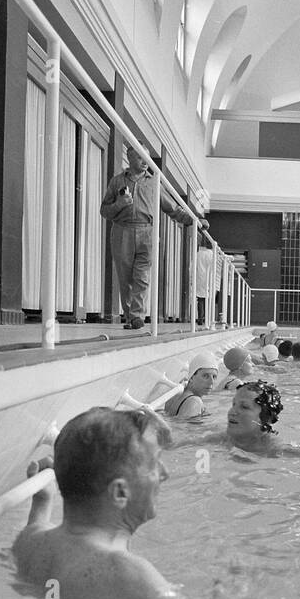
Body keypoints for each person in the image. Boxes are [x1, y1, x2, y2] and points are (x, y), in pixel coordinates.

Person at [14, 407, 237, 599]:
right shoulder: (132, 575)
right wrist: (232, 586)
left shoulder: (30, 542)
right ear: (120, 492)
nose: (165, 473)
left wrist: (42, 501)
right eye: (154, 463)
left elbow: (37, 529)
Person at [100, 147, 160, 329]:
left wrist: (191, 220)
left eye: (147, 158)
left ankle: (136, 316)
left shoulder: (154, 182)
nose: (145, 161)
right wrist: (119, 204)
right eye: (140, 157)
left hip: (146, 231)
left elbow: (170, 206)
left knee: (142, 277)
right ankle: (130, 317)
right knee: (125, 277)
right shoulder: (117, 181)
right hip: (122, 230)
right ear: (130, 158)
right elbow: (104, 211)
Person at [225, 379, 285, 448]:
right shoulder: (221, 439)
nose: (232, 412)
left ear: (267, 418)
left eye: (244, 407)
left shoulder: (275, 450)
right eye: (234, 404)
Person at [163, 351, 220, 418]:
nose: (211, 382)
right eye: (205, 376)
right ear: (192, 377)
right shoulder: (195, 402)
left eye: (214, 377)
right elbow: (181, 425)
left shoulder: (175, 395)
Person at [195, 244, 216, 327]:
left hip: (199, 278)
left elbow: (192, 266)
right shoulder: (211, 254)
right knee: (208, 299)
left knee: (200, 299)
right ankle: (208, 319)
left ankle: (200, 319)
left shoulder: (198, 254)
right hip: (209, 278)